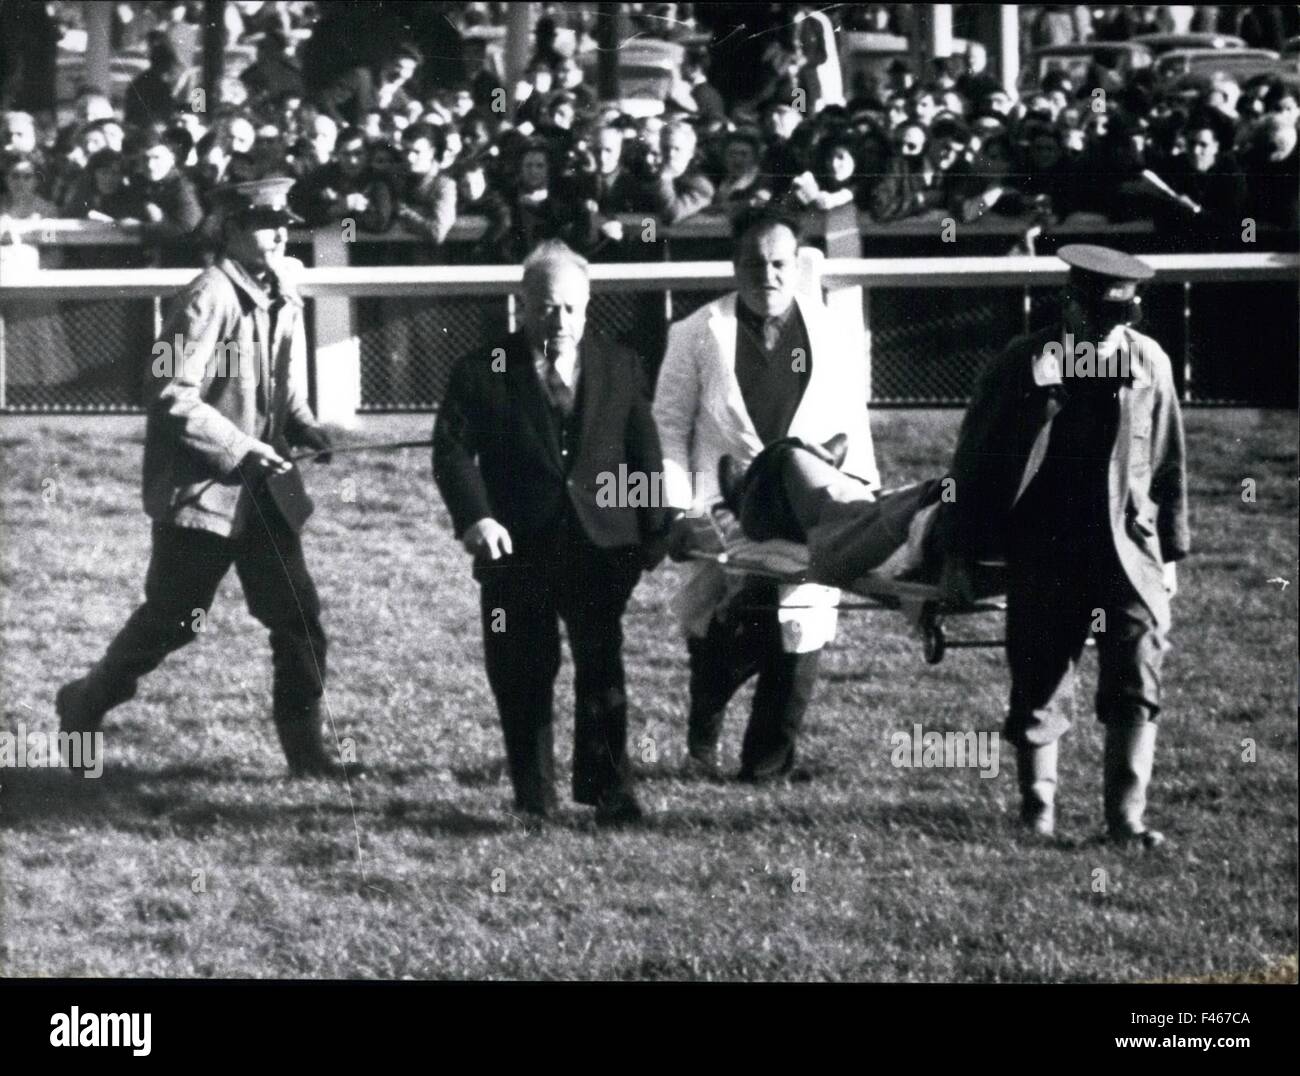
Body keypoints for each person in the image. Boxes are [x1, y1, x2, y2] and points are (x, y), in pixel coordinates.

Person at [55, 177, 348, 779]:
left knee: (298, 619)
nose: (277, 235)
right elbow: (165, 391)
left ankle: (307, 756)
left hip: (263, 493)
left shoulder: (280, 292)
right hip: (203, 494)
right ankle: (84, 701)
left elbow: (281, 382)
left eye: (284, 225)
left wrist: (304, 425)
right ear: (232, 230)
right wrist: (240, 446)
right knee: (173, 620)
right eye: (264, 225)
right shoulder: (206, 296)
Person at [936, 245, 1189, 847]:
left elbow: (1167, 460)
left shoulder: (1148, 362)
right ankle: (1038, 812)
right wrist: (956, 554)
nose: (1109, 331)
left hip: (1127, 549)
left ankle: (1125, 820)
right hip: (1046, 546)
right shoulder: (1024, 363)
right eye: (1098, 317)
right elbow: (973, 465)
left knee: (1137, 671)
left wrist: (1169, 556)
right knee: (1041, 675)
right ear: (1070, 304)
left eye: (1120, 319)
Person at [432, 240, 671, 825]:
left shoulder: (618, 364)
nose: (557, 321)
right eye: (544, 307)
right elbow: (452, 452)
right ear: (522, 305)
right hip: (517, 552)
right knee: (521, 670)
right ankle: (534, 797)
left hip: (601, 548)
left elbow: (643, 451)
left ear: (588, 307)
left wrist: (654, 534)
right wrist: (477, 518)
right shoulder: (482, 369)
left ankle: (610, 793)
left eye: (569, 308)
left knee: (602, 671)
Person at [652, 207, 879, 781]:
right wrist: (678, 508)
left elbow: (852, 418)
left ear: (795, 263)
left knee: (799, 630)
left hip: (807, 510)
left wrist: (862, 501)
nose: (768, 275)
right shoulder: (696, 333)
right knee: (725, 633)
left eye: (779, 263)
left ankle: (767, 766)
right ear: (735, 265)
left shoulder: (829, 332)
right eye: (755, 264)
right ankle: (703, 733)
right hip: (725, 510)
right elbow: (668, 427)